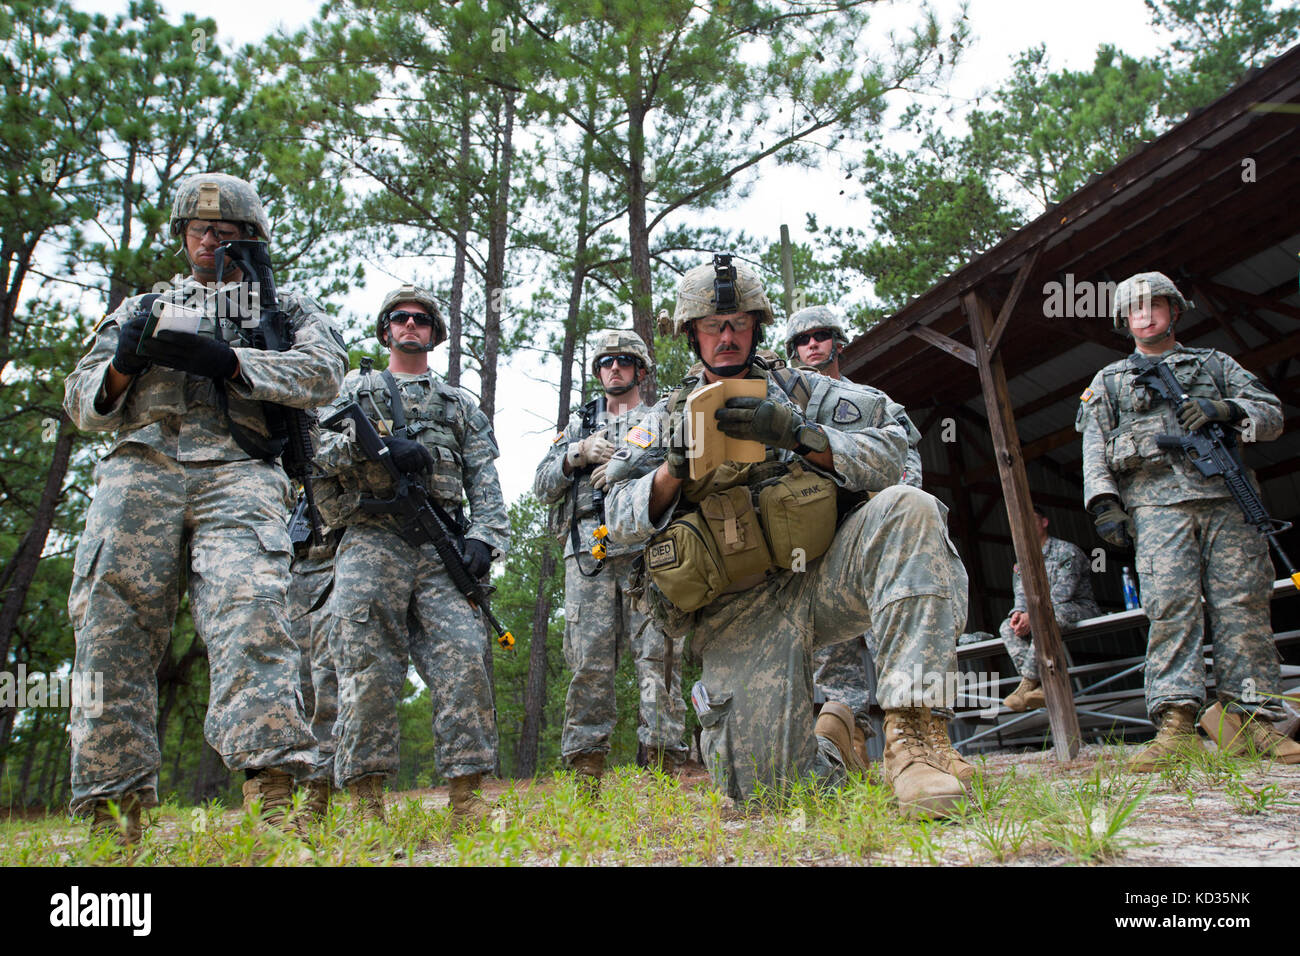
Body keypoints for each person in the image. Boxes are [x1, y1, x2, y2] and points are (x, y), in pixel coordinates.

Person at [603, 256, 972, 817]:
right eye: (712, 326)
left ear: (757, 328)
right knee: (770, 794)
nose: (727, 337)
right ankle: (837, 741)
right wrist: (670, 473)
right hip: (738, 610)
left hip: (823, 575)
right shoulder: (661, 420)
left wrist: (803, 435)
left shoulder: (807, 393)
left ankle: (916, 742)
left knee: (909, 509)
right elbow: (615, 516)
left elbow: (893, 448)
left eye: (738, 324)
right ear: (692, 334)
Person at [64, 172, 348, 843]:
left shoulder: (285, 309)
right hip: (140, 470)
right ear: (182, 235)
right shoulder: (144, 305)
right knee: (109, 628)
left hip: (239, 470)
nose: (208, 240)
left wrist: (229, 360)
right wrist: (124, 364)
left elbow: (323, 373)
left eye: (224, 230)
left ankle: (272, 795)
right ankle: (112, 816)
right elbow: (81, 402)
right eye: (197, 228)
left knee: (253, 613)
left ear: (251, 238)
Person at [1077, 271, 1299, 769]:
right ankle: (1176, 725)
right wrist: (1104, 504)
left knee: (1243, 606)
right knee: (1170, 608)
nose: (1145, 315)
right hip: (1156, 509)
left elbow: (1271, 417)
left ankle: (1256, 720)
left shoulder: (1214, 364)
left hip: (1228, 503)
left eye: (1154, 305)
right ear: (1124, 320)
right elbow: (1094, 449)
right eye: (1134, 309)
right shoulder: (1109, 381)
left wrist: (1224, 408)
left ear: (1174, 311)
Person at [315, 283, 508, 822]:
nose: (410, 326)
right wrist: (372, 446)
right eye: (400, 318)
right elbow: (316, 452)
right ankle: (365, 801)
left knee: (464, 658)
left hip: (440, 545)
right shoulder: (353, 390)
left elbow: (484, 477)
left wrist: (484, 538)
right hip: (370, 539)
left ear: (434, 334)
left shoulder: (457, 404)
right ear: (386, 330)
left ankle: (467, 796)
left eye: (421, 320)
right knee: (366, 668)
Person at [784, 306, 960, 776]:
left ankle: (926, 737)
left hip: (877, 534)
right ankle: (852, 746)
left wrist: (887, 503)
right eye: (802, 340)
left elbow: (906, 466)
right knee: (832, 658)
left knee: (907, 625)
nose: (812, 345)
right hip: (818, 547)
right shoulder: (782, 409)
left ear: (838, 342)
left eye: (821, 335)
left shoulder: (871, 402)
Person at [533, 330, 688, 788]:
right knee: (589, 663)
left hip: (648, 550)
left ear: (641, 369)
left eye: (623, 361)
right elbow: (541, 485)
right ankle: (586, 774)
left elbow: (685, 467)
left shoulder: (660, 419)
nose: (614, 368)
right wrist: (576, 454)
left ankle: (663, 770)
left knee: (660, 659)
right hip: (589, 555)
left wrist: (631, 461)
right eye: (605, 362)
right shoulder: (578, 426)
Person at [998, 505, 1100, 712]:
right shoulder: (1022, 562)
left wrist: (1032, 615)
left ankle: (1028, 682)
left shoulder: (1066, 551)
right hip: (1041, 613)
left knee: (1046, 617)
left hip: (1077, 607)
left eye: (1030, 519)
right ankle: (1041, 686)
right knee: (1007, 626)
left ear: (1044, 522)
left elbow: (1063, 594)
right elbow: (1021, 595)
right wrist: (1018, 614)